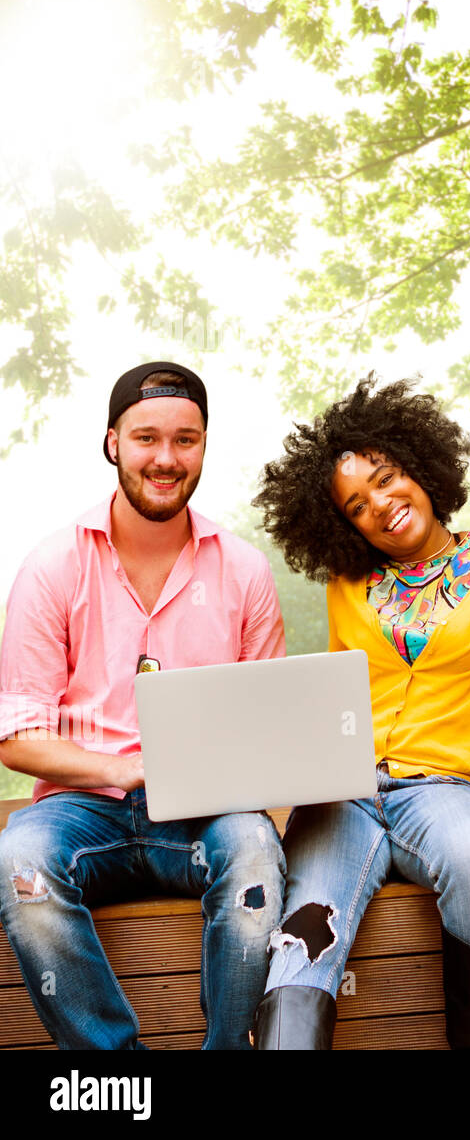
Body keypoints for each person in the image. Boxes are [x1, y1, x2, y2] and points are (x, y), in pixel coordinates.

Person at [251, 376, 470, 1049]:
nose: (381, 506)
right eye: (356, 506)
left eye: (386, 479)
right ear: (341, 524)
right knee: (305, 932)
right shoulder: (346, 582)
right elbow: (334, 700)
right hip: (345, 796)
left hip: (441, 790)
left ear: (420, 466)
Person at [0, 362, 287, 1050]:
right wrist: (125, 769)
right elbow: (15, 738)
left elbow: (273, 731)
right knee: (21, 863)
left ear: (204, 445)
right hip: (84, 808)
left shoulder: (244, 570)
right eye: (146, 438)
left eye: (185, 440)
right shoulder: (53, 566)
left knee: (252, 855)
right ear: (112, 444)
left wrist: (252, 801)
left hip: (204, 814)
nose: (166, 458)